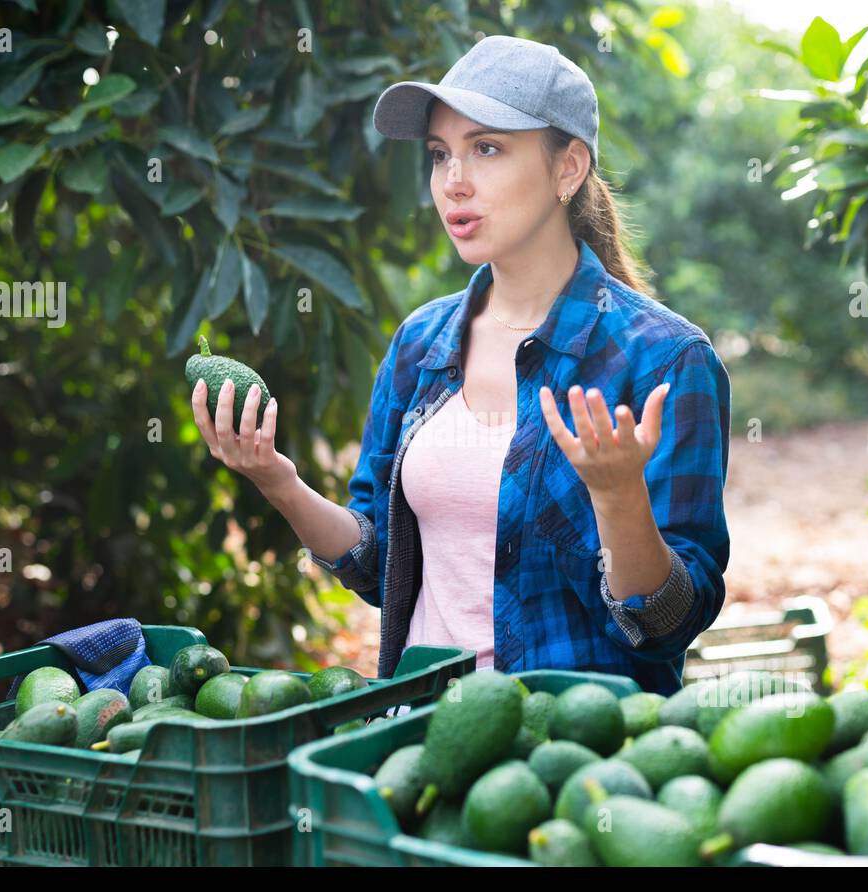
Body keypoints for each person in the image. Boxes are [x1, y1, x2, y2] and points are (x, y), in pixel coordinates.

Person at [190, 34, 730, 694]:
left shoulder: (662, 360)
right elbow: (377, 564)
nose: (455, 182)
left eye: (488, 148)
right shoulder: (422, 343)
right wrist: (276, 479)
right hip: (422, 742)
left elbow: (671, 624)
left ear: (569, 168)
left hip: (571, 760)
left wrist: (620, 497)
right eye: (440, 155)